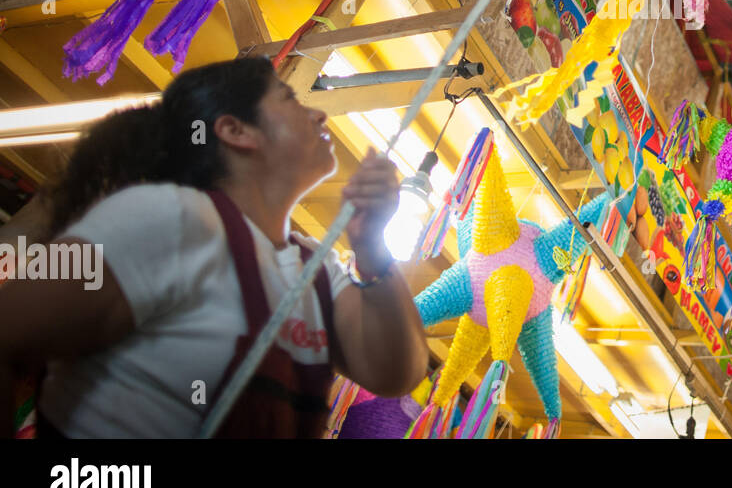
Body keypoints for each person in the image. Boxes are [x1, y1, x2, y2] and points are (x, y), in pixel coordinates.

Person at [0, 56, 428, 438]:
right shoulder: (164, 217)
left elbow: (395, 372)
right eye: (291, 99)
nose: (318, 114)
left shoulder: (316, 268)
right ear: (234, 130)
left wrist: (373, 250)